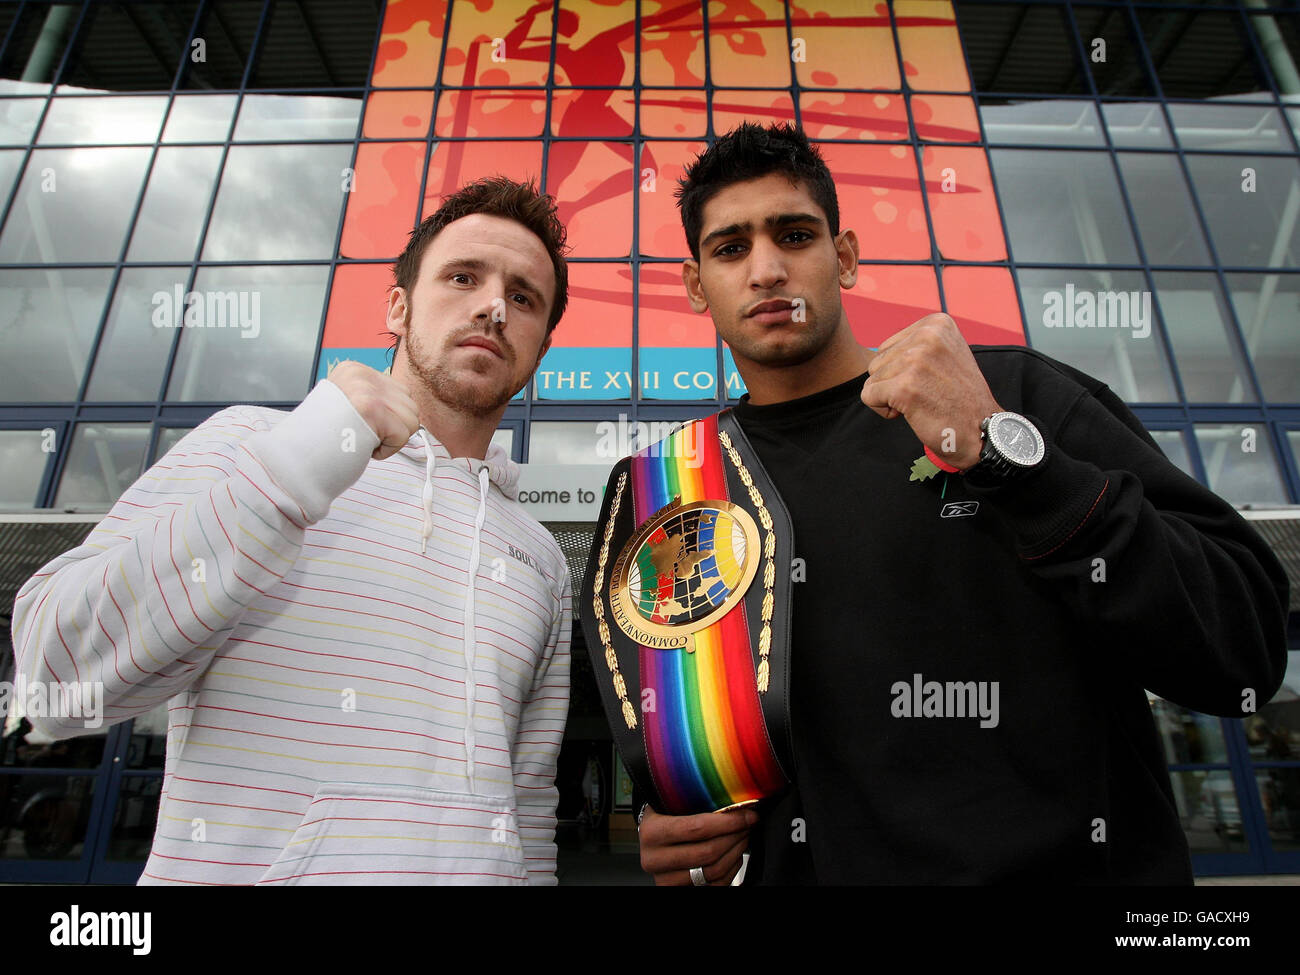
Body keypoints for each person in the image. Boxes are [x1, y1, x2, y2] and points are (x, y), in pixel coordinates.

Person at [623, 122, 1289, 884]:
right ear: (693, 282)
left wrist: (1010, 457)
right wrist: (680, 826)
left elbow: (1247, 647)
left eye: (795, 234)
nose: (767, 269)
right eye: (731, 248)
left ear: (843, 258)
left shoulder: (1008, 395)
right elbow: (703, 751)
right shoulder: (683, 491)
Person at [11, 177, 573, 885]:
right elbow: (51, 680)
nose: (493, 306)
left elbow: (525, 807)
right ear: (398, 306)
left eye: (523, 298)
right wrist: (293, 470)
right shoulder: (251, 443)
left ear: (540, 347)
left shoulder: (542, 558)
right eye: (463, 277)